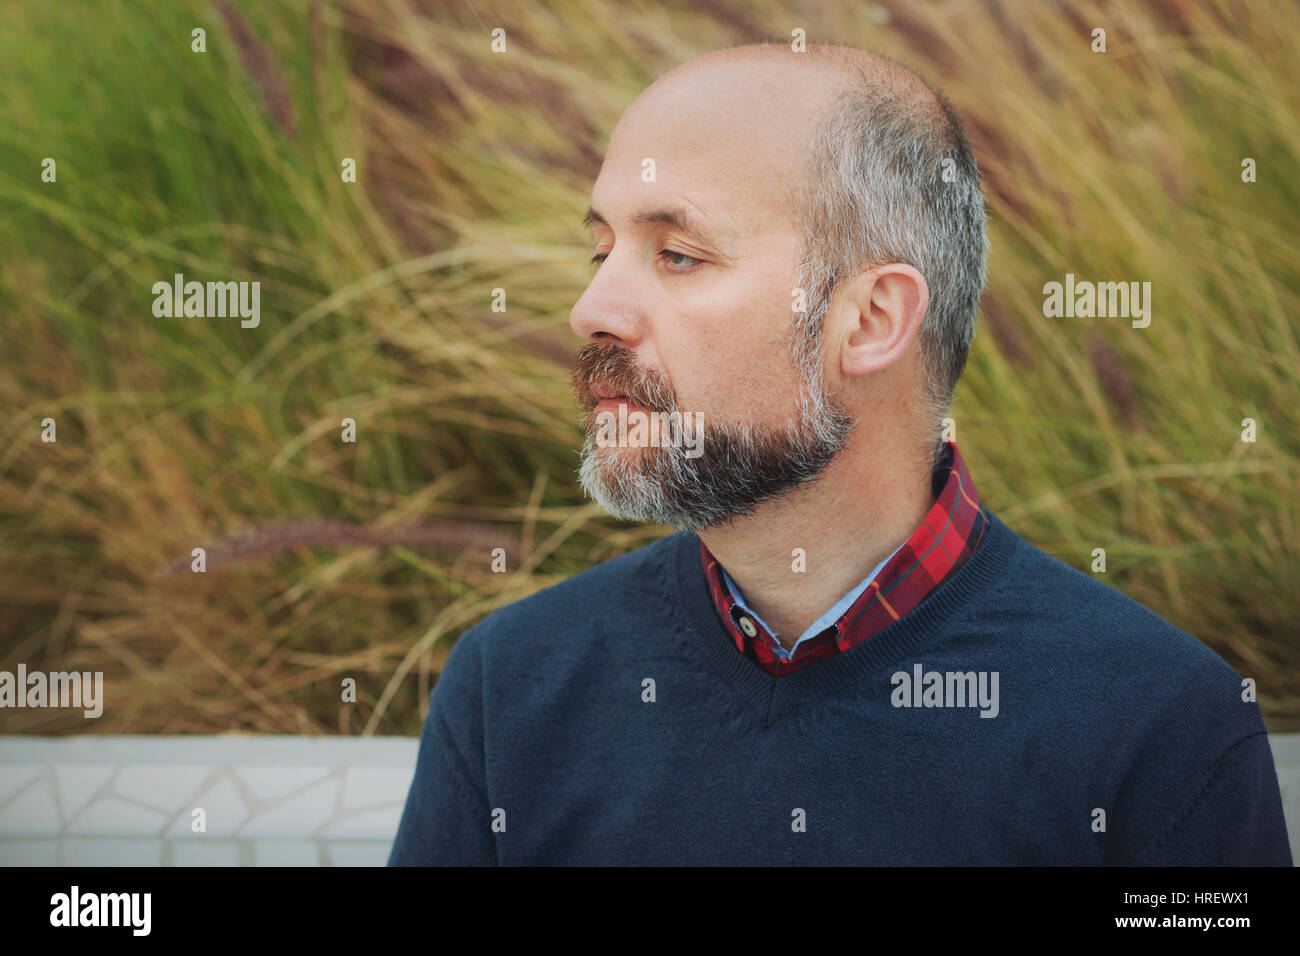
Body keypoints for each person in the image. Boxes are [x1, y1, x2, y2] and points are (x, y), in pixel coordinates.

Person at [389, 42, 1292, 865]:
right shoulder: (509, 690)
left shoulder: (1163, 729)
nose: (591, 311)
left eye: (678, 254)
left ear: (868, 320)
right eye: (599, 251)